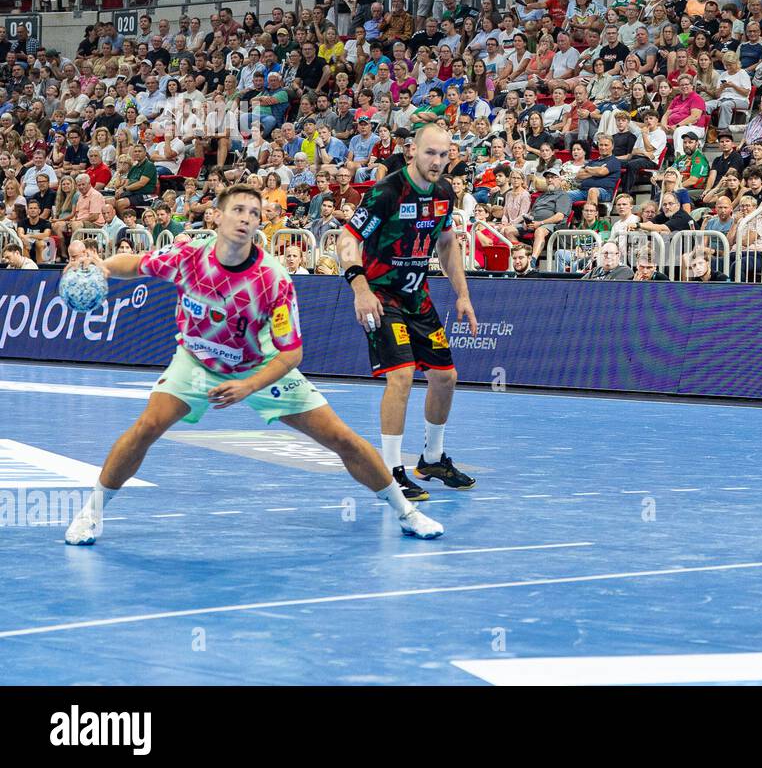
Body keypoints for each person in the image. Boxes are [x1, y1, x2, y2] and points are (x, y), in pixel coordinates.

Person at [61, 184, 443, 545]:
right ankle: (92, 512)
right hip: (196, 360)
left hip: (257, 365)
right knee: (147, 426)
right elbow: (139, 263)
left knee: (341, 438)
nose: (246, 218)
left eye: (254, 213)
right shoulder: (189, 256)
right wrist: (105, 267)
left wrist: (248, 387)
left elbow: (292, 354)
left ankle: (405, 511)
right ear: (217, 217)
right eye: (238, 210)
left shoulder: (272, 279)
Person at [335, 124, 478, 502]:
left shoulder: (445, 192)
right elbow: (347, 238)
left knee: (445, 378)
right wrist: (360, 288)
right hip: (382, 295)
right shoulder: (387, 192)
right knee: (400, 377)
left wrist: (462, 294)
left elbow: (447, 244)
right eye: (430, 153)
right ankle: (392, 470)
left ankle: (431, 459)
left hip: (417, 297)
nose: (437, 162)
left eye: (444, 155)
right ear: (413, 151)